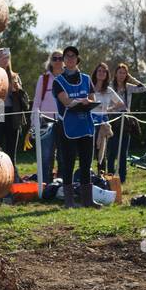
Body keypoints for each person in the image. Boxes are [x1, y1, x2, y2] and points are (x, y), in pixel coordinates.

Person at [53, 46, 99, 209]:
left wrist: (88, 101)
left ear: (77, 59)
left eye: (73, 56)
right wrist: (82, 101)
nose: (70, 59)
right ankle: (69, 201)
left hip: (85, 125)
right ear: (64, 60)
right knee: (68, 163)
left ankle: (88, 200)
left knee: (86, 164)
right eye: (67, 56)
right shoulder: (58, 81)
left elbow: (92, 98)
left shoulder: (86, 79)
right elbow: (66, 101)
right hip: (67, 127)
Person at [105, 62, 146, 180]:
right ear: (116, 74)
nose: (122, 75)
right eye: (120, 73)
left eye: (124, 73)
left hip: (126, 120)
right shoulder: (110, 86)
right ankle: (110, 176)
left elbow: (144, 88)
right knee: (112, 150)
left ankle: (122, 177)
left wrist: (132, 78)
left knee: (123, 150)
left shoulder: (129, 86)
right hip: (113, 119)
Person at [0, 48, 27, 182]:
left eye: (7, 57)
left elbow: (23, 99)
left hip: (13, 112)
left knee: (12, 148)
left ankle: (12, 178)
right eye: (2, 57)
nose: (5, 59)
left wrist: (17, 90)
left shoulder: (14, 76)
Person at [32, 50, 64, 186]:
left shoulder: (67, 78)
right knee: (46, 156)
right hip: (45, 121)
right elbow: (36, 102)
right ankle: (45, 186)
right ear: (50, 61)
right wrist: (34, 123)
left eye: (60, 58)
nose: (57, 61)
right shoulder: (43, 79)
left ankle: (62, 186)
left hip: (64, 121)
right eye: (54, 58)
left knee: (63, 156)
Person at [89, 63, 125, 172]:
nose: (101, 73)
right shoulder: (89, 87)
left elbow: (121, 103)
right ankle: (87, 175)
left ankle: (101, 175)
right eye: (99, 71)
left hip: (103, 121)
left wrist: (109, 109)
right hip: (90, 120)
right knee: (89, 149)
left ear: (107, 74)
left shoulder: (109, 90)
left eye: (104, 71)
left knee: (102, 150)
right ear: (95, 73)